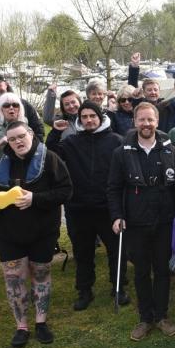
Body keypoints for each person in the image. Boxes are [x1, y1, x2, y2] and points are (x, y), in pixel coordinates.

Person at [0, 120, 73, 348]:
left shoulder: (50, 159)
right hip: (9, 233)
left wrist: (35, 199)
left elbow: (66, 191)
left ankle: (41, 322)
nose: (17, 142)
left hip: (42, 231)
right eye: (12, 139)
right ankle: (21, 326)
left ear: (31, 133)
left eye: (21, 136)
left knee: (41, 274)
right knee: (14, 279)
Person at [107, 102, 175, 341]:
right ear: (135, 122)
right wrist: (117, 215)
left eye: (150, 120)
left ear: (157, 121)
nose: (146, 124)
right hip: (135, 221)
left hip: (164, 220)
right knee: (141, 271)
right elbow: (113, 188)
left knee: (162, 269)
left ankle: (161, 316)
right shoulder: (122, 152)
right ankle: (145, 318)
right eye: (142, 120)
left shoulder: (171, 150)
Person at [58, 101, 127, 311]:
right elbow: (52, 155)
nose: (88, 120)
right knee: (83, 252)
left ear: (100, 117)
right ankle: (85, 290)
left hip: (108, 208)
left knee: (116, 250)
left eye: (92, 116)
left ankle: (118, 287)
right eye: (84, 117)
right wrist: (54, 132)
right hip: (78, 208)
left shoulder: (116, 141)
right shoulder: (70, 142)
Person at [42, 84, 82, 150]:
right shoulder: (61, 121)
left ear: (79, 102)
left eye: (73, 102)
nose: (71, 106)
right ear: (63, 107)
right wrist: (51, 94)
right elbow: (47, 119)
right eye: (67, 104)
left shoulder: (87, 118)